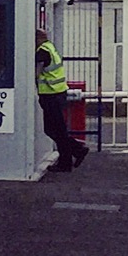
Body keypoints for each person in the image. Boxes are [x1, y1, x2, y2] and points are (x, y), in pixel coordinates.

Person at [35, 26, 87, 172]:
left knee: (54, 130)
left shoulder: (42, 52)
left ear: (37, 39)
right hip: (58, 93)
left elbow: (36, 73)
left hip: (51, 95)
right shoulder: (50, 47)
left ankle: (70, 158)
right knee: (56, 129)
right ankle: (74, 153)